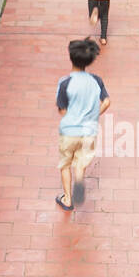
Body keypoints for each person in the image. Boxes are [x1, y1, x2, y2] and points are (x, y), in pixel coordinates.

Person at [55, 38, 110, 209]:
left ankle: (67, 199)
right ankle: (79, 179)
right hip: (89, 131)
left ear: (71, 58)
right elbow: (107, 101)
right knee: (80, 163)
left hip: (69, 131)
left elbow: (61, 109)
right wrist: (93, 115)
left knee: (65, 164)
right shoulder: (96, 81)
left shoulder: (65, 83)